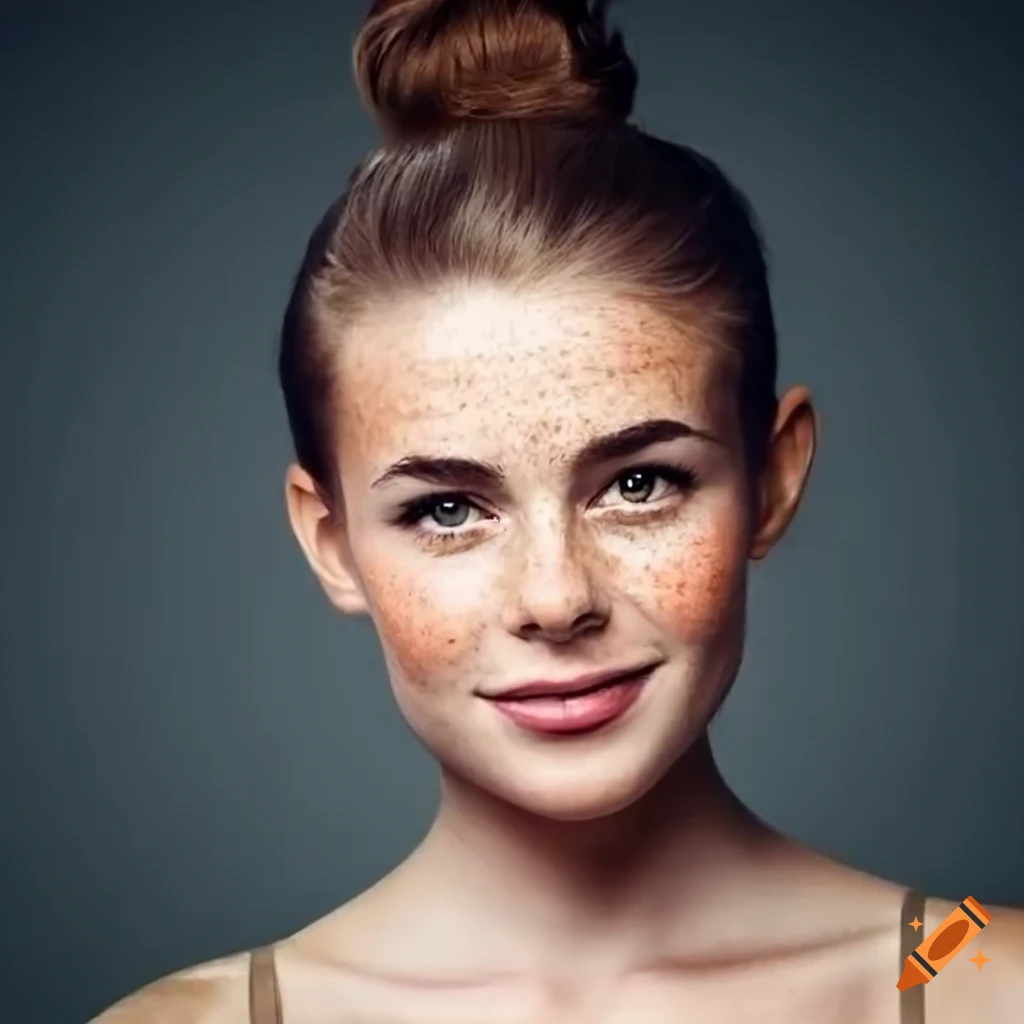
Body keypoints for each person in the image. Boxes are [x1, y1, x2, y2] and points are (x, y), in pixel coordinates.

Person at [93, 1, 1024, 1021]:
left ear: (774, 475)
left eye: (638, 484)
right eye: (447, 508)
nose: (553, 596)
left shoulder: (970, 974)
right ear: (333, 543)